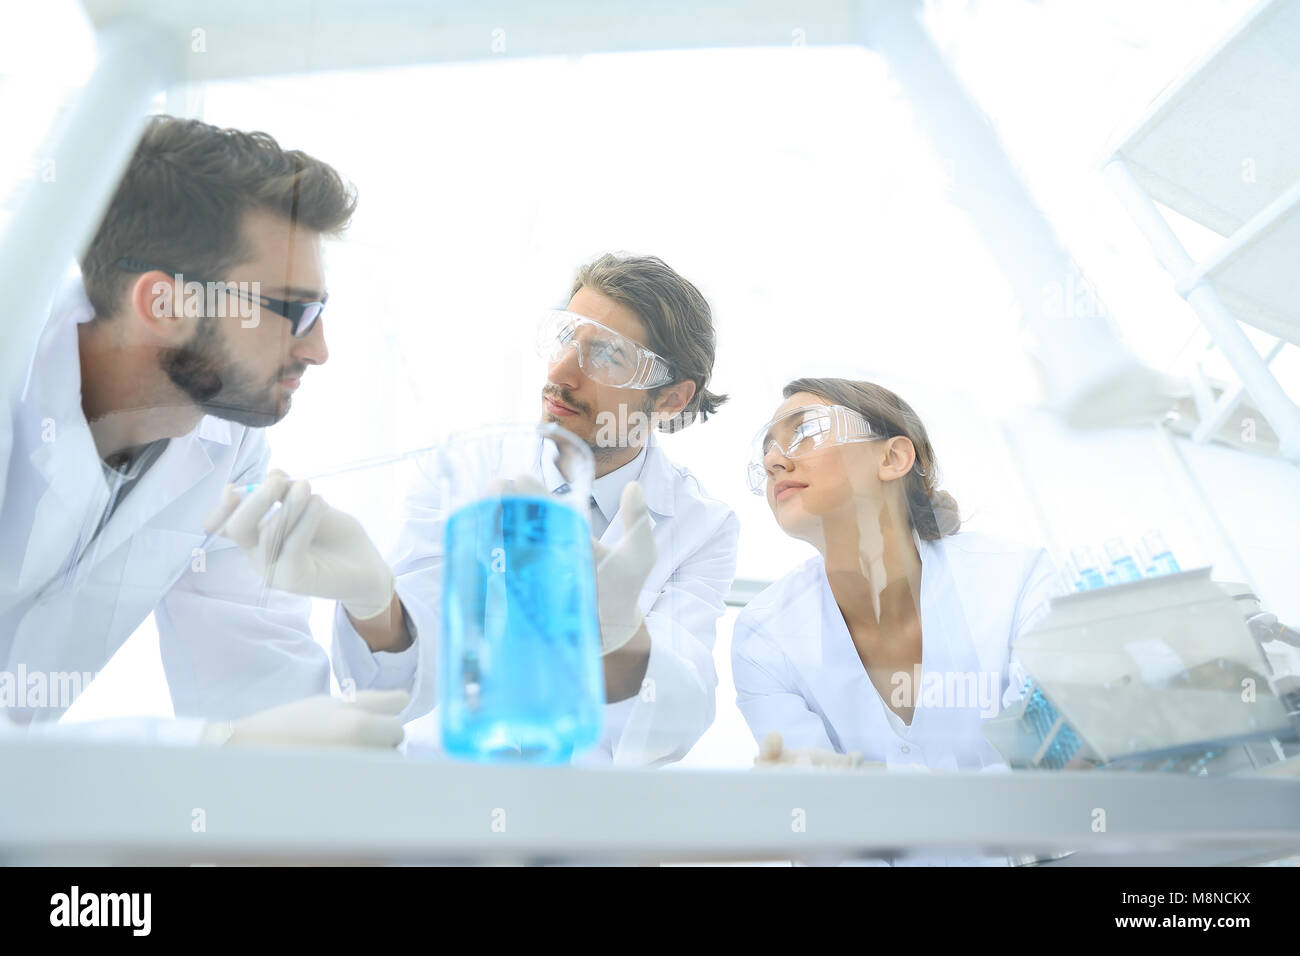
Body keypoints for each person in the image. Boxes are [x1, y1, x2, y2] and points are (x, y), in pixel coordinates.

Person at [222, 253, 740, 764]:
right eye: (565, 340)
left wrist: (619, 635)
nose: (560, 373)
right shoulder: (464, 473)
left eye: (606, 356)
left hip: (588, 819)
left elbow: (676, 721)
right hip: (449, 802)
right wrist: (374, 602)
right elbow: (400, 686)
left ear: (671, 399)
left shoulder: (702, 527)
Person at [0, 115, 404, 748]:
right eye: (294, 310)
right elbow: (235, 743)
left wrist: (376, 608)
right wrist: (213, 750)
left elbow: (264, 697)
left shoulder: (227, 446)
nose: (318, 349)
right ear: (162, 304)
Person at [732, 378, 1058, 773]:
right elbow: (815, 813)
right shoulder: (764, 636)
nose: (773, 462)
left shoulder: (1016, 580)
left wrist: (867, 787)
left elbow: (1049, 766)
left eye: (805, 431)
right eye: (766, 450)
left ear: (893, 459)